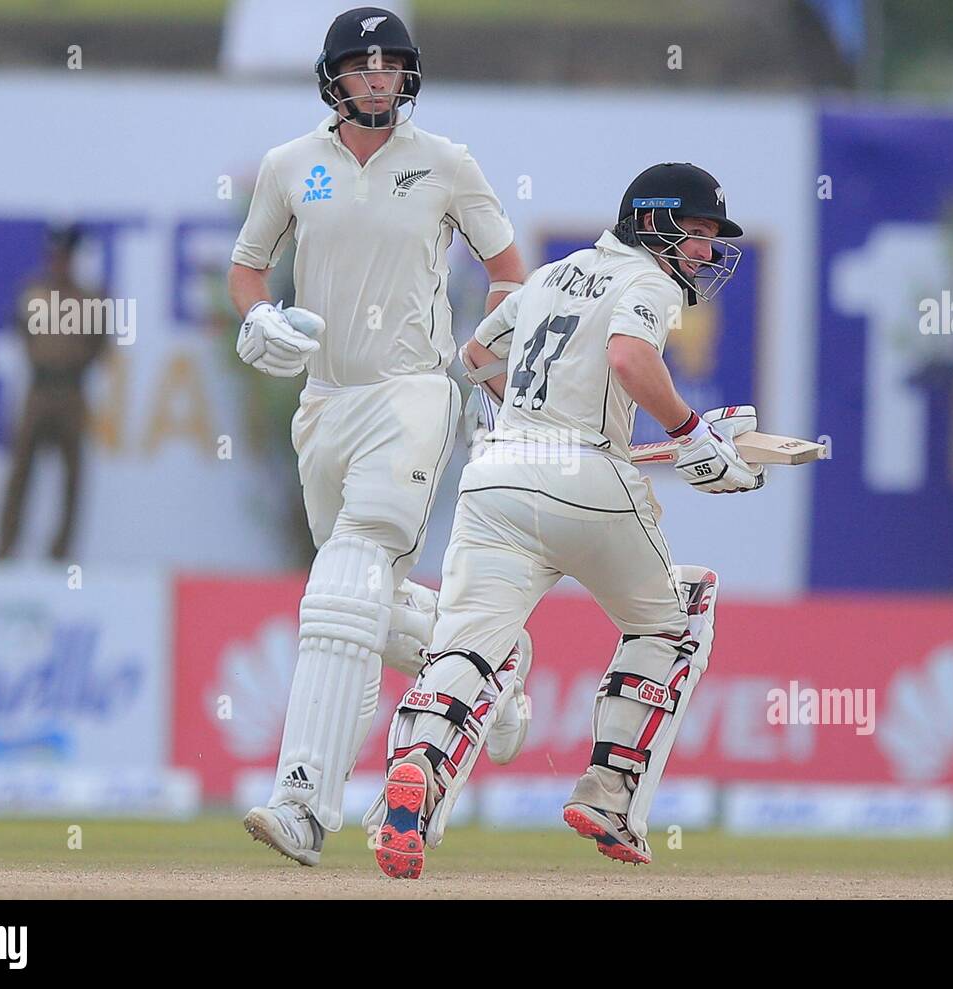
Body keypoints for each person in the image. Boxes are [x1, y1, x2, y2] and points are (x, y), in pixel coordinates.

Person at [368, 162, 765, 879]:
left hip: (496, 477)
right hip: (588, 480)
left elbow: (478, 355)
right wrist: (689, 434)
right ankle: (609, 791)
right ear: (652, 222)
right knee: (677, 617)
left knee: (465, 651)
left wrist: (529, 423)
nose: (706, 251)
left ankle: (418, 776)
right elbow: (628, 356)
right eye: (698, 232)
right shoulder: (645, 281)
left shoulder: (551, 275)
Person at [229, 6, 530, 866]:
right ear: (333, 78)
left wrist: (482, 355)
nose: (378, 79)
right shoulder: (290, 167)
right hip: (325, 399)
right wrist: (260, 317)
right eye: (362, 66)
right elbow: (247, 269)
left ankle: (302, 803)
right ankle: (491, 669)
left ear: (408, 77)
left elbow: (508, 269)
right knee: (358, 602)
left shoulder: (445, 164)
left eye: (391, 65)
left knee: (346, 576)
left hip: (413, 392)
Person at [0, 225, 108, 561]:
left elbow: (99, 345)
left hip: (72, 391)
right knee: (20, 472)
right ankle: (4, 549)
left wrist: (73, 364)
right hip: (38, 389)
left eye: (65, 257)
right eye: (54, 257)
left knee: (72, 477)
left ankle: (61, 553)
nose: (59, 264)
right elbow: (19, 331)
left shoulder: (89, 299)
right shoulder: (32, 292)